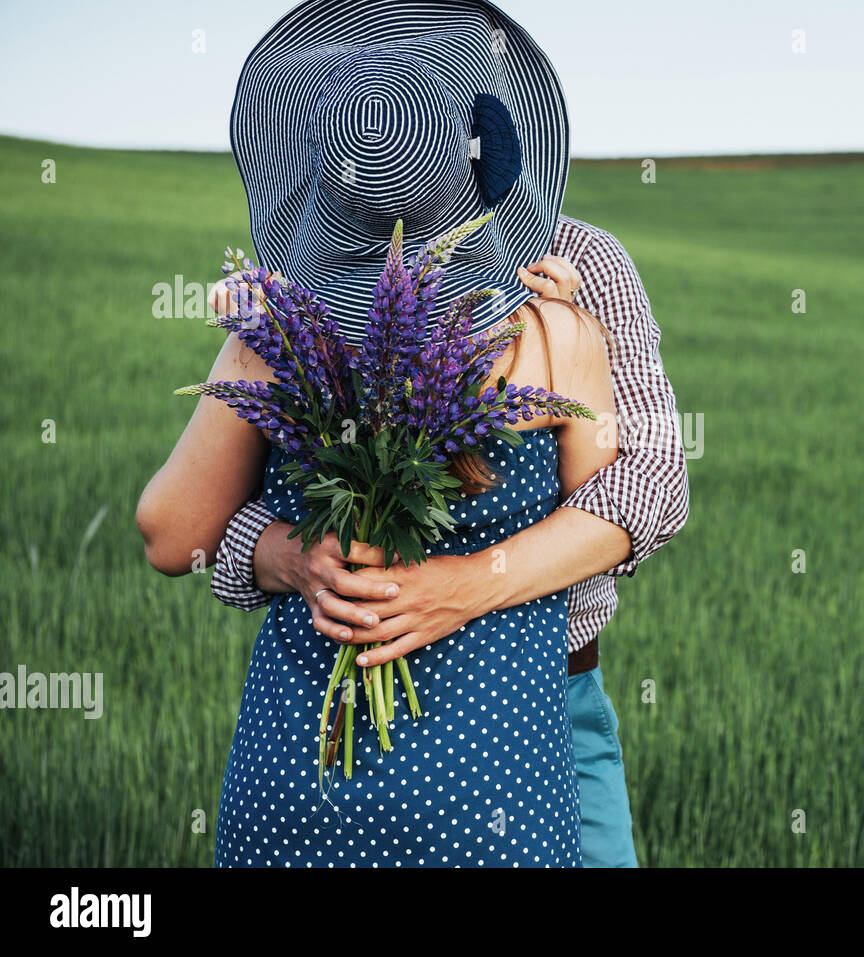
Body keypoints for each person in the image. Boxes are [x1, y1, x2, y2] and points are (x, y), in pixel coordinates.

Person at [137, 0, 687, 867]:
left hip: (547, 691)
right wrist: (292, 557)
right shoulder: (302, 292)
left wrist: (462, 583)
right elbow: (191, 529)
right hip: (487, 751)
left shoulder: (581, 266)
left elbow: (648, 491)